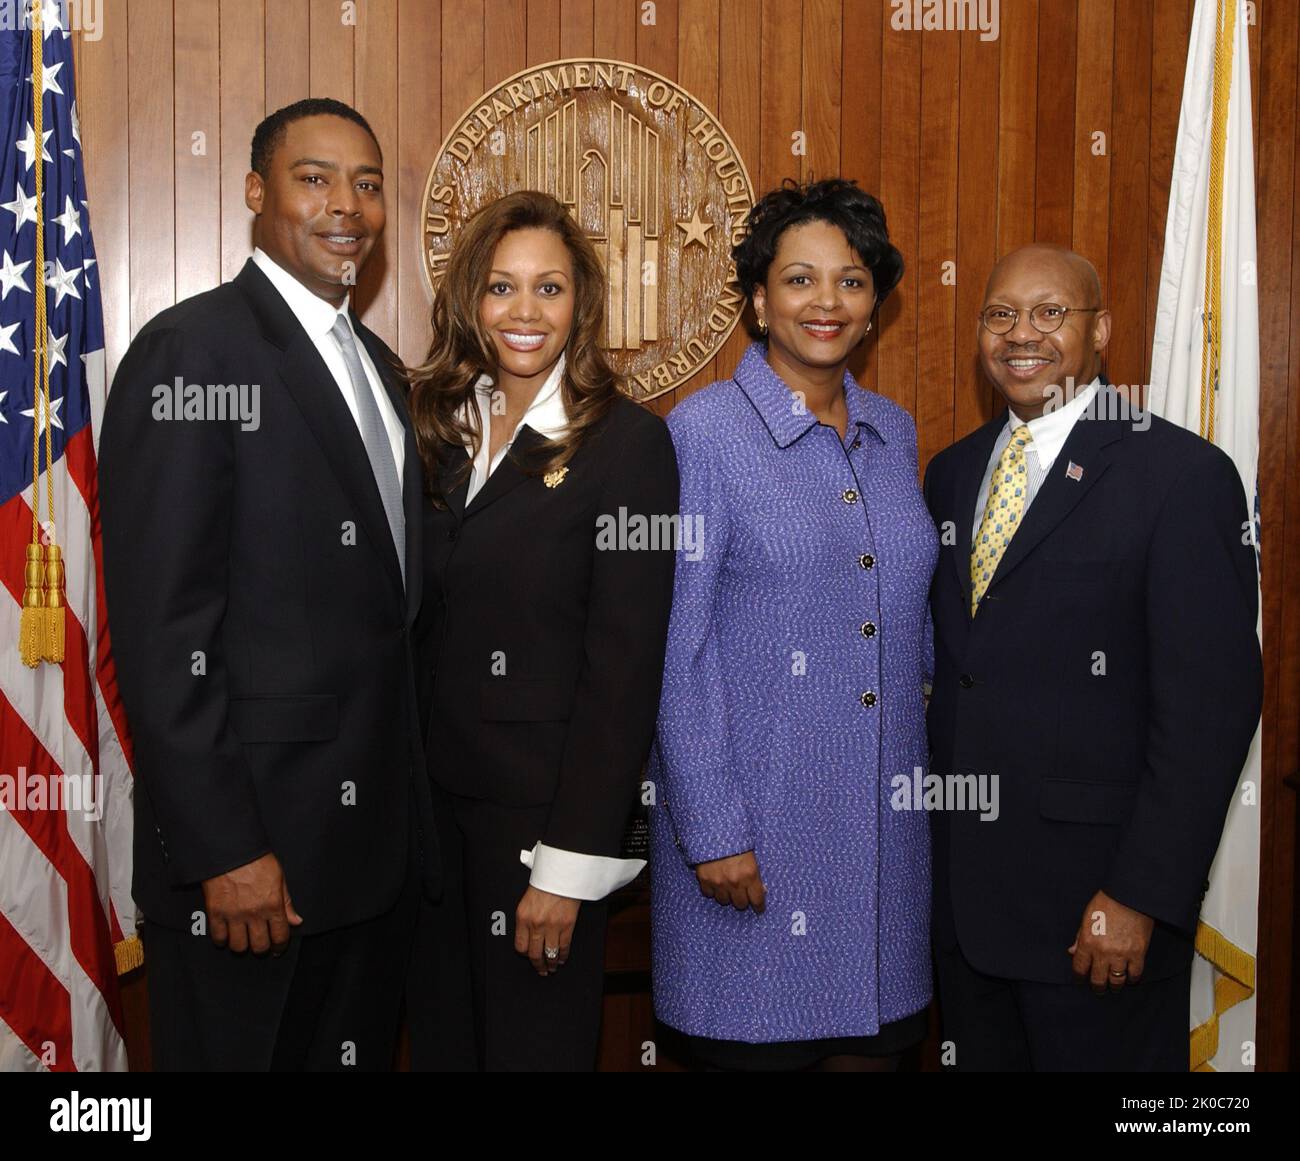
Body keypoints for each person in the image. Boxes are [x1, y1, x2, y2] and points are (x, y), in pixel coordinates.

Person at [99, 98, 439, 1070]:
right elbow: (164, 633)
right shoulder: (192, 353)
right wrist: (221, 850)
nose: (347, 205)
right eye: (315, 177)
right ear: (257, 193)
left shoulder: (377, 366)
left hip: (370, 876)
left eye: (368, 184)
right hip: (252, 877)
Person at [923, 243, 1262, 1071]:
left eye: (1050, 313)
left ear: (1101, 329)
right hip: (967, 917)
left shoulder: (1181, 475)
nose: (1021, 334)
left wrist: (1140, 895)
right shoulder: (951, 474)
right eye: (1000, 314)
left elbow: (1209, 713)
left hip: (1099, 913)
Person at [650, 178, 938, 1071]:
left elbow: (909, 619)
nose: (827, 301)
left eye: (852, 281)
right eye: (800, 279)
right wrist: (715, 828)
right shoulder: (699, 433)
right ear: (759, 300)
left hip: (884, 850)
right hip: (751, 851)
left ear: (875, 303)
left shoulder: (894, 430)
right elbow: (676, 652)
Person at [405, 190, 678, 1071]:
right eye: (501, 287)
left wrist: (567, 865)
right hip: (432, 834)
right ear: (468, 303)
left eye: (549, 289)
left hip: (541, 831)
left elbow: (625, 672)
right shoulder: (436, 430)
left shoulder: (628, 445)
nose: (525, 313)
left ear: (581, 305)